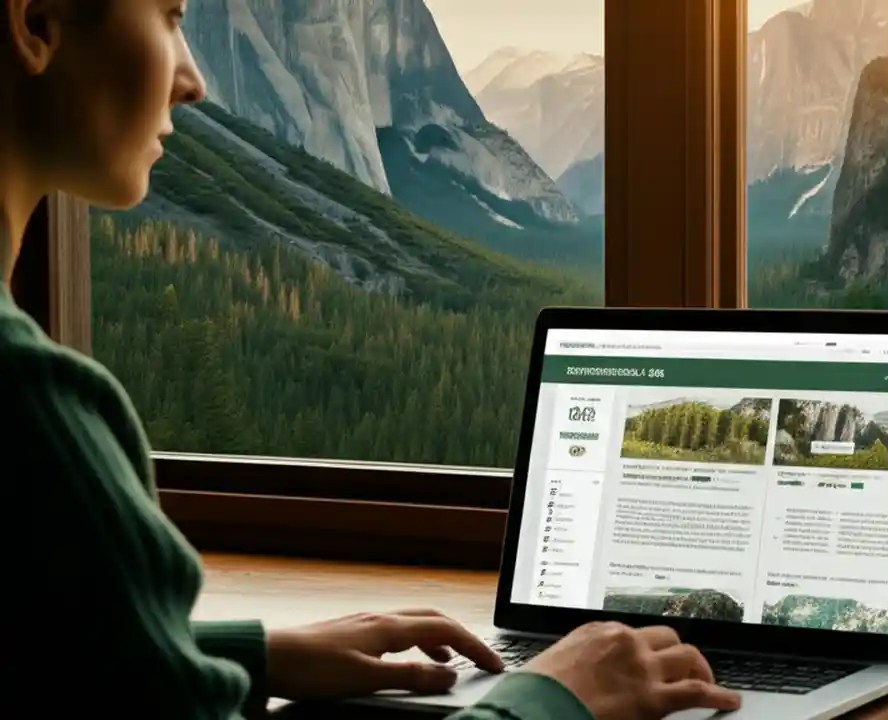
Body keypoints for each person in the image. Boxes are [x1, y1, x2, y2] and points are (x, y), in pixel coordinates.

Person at [0, 1, 743, 718]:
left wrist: (249, 654)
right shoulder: (35, 408)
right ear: (36, 23)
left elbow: (39, 657)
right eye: (169, 15)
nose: (192, 78)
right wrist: (551, 699)